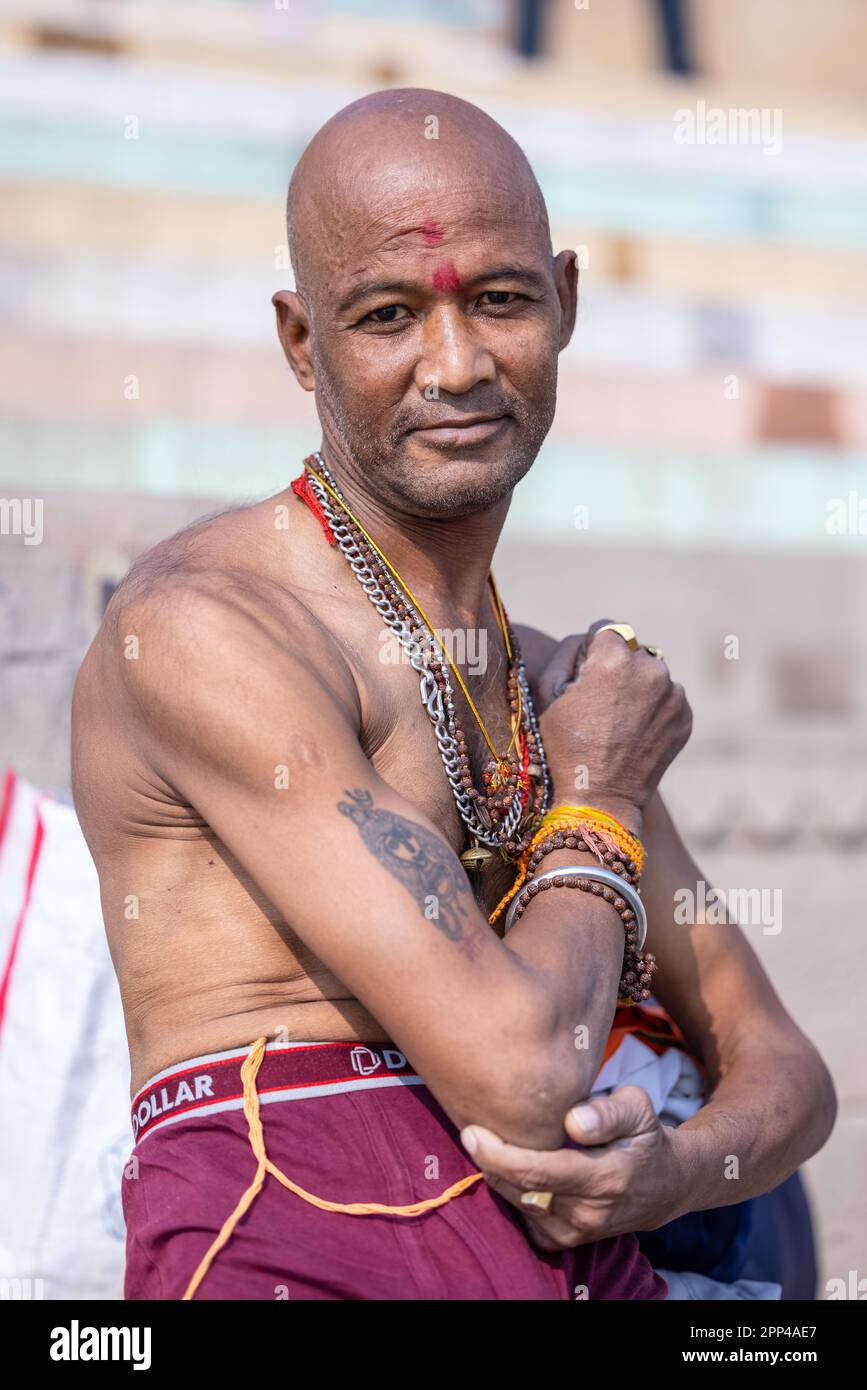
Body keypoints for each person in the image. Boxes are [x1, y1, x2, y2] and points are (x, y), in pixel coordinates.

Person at [71, 88, 835, 1301]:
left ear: (566, 302)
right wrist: (595, 796)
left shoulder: (547, 689)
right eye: (387, 316)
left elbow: (786, 1068)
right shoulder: (208, 627)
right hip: (303, 1249)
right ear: (302, 344)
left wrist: (673, 1172)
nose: (459, 362)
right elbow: (527, 1072)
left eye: (501, 298)